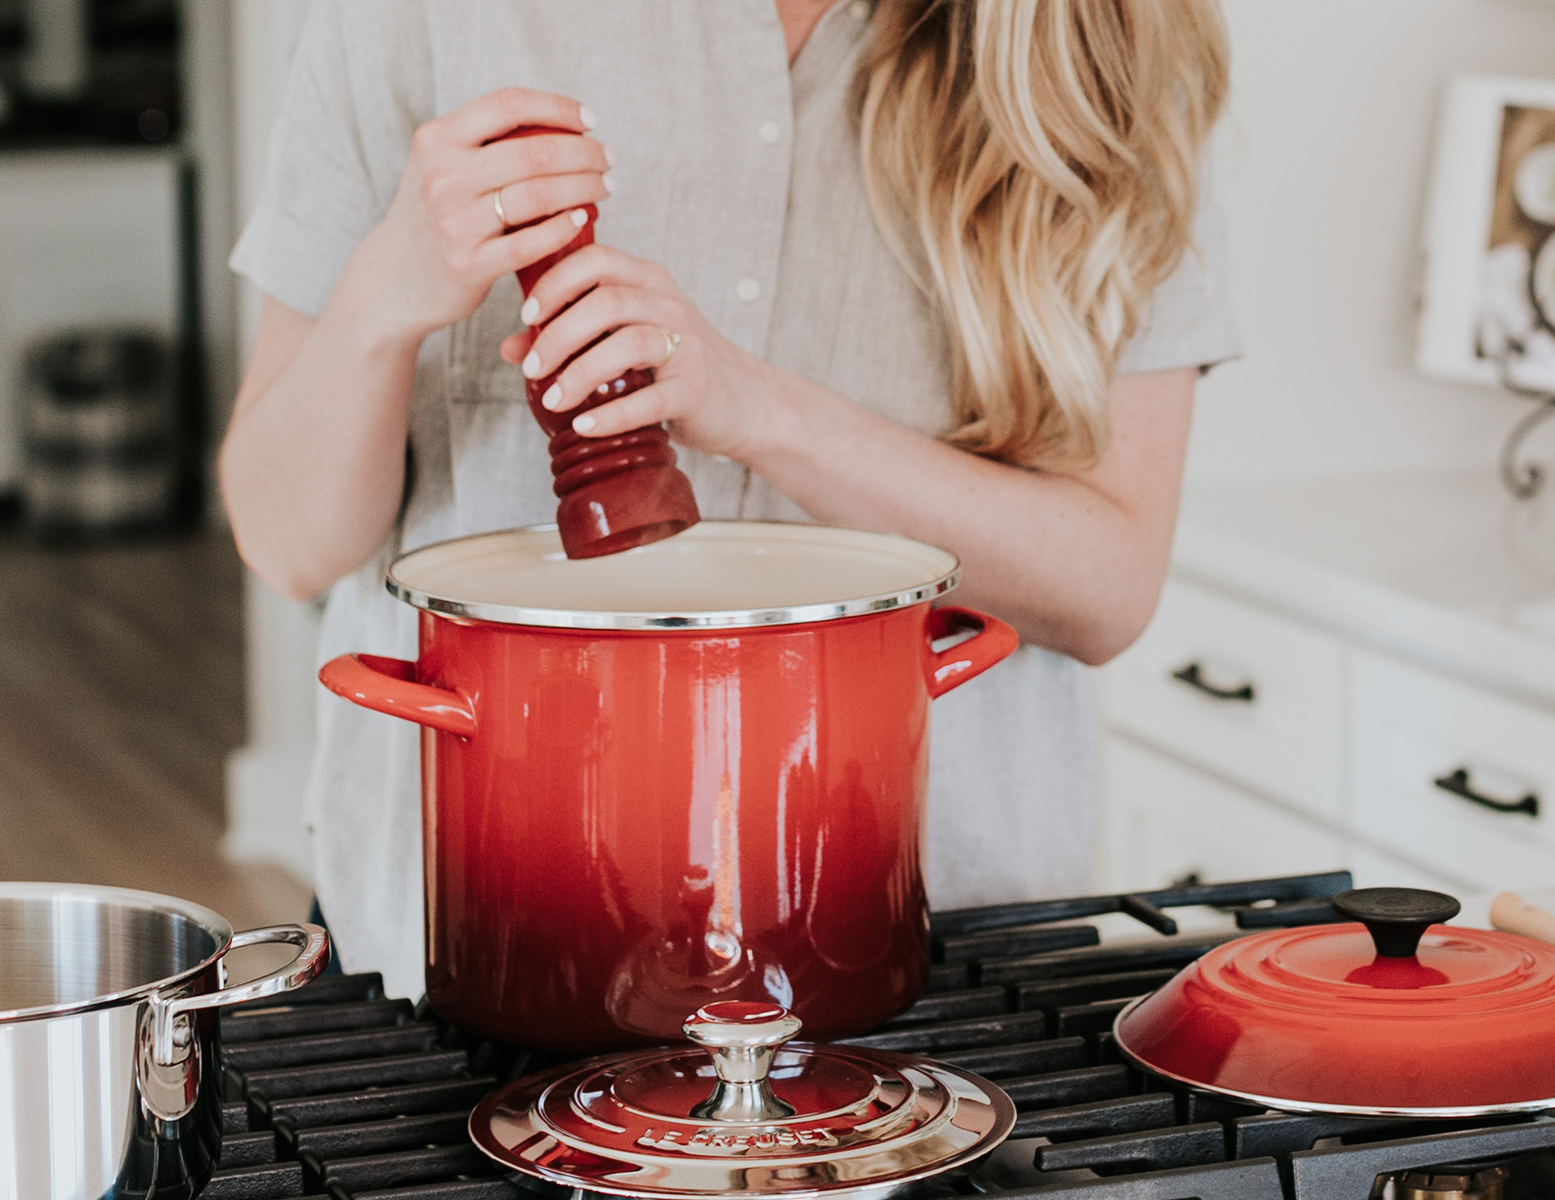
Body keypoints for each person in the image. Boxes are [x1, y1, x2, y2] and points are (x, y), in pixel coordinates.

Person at [222, 0, 1239, 996]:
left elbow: (1107, 588)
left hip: (929, 957)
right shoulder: (413, 18)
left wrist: (755, 407)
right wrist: (378, 302)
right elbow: (285, 541)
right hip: (464, 942)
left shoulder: (1111, 41)